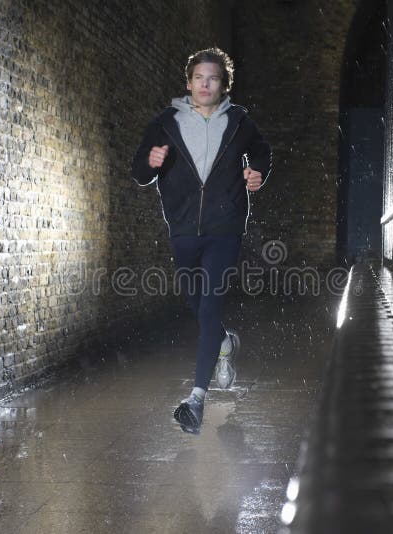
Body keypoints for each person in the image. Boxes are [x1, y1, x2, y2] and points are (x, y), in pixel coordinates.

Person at [130, 47, 272, 434]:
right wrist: (150, 162)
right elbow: (140, 171)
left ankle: (196, 399)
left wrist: (257, 171)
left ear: (224, 84)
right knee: (197, 304)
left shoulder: (238, 121)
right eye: (199, 78)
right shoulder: (167, 122)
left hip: (225, 227)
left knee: (209, 307)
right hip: (182, 228)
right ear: (189, 82)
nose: (205, 84)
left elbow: (261, 151)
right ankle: (224, 343)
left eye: (213, 78)